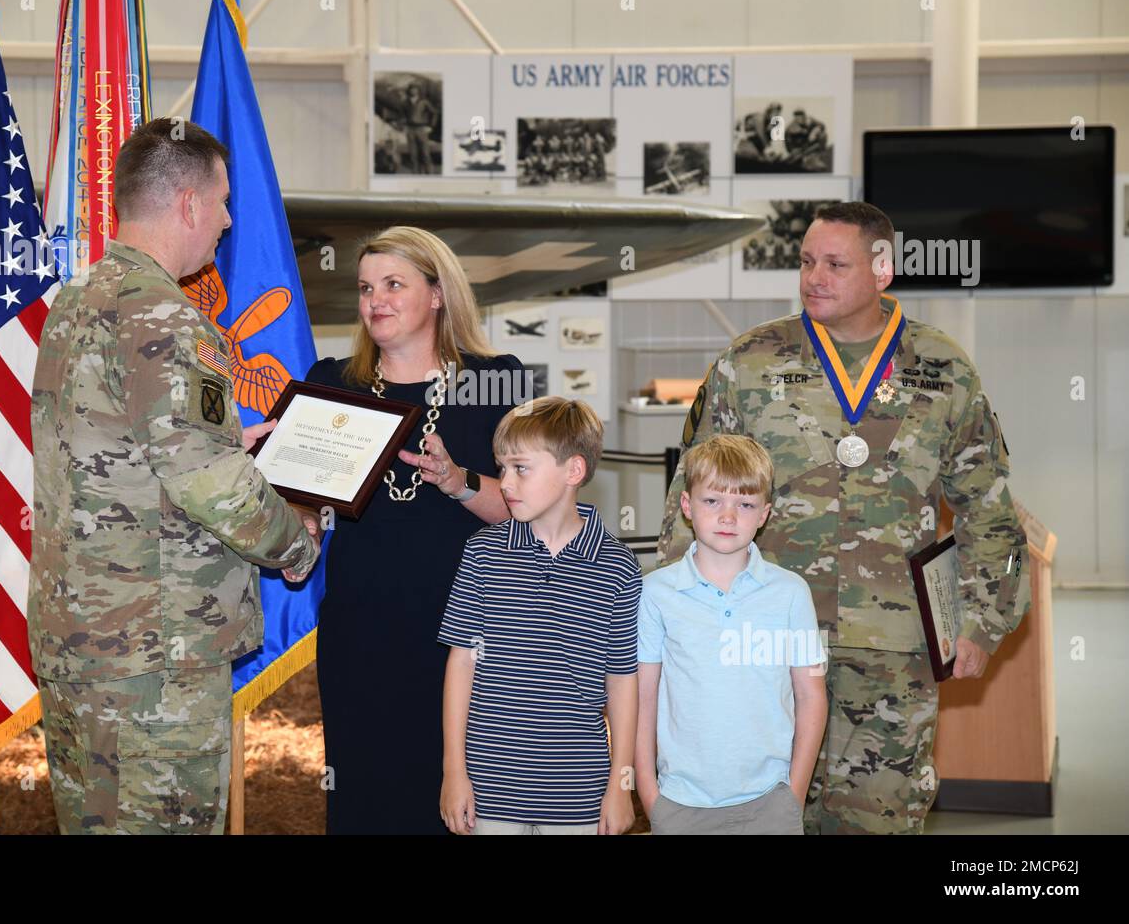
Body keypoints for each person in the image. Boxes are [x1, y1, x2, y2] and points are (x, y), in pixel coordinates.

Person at [657, 201, 1028, 835]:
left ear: (882, 270)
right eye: (806, 262)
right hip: (760, 640)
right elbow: (689, 495)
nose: (814, 278)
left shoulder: (942, 369)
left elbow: (987, 508)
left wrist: (983, 624)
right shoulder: (751, 362)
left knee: (880, 818)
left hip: (894, 647)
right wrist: (677, 618)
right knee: (759, 815)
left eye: (835, 264)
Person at [28, 118, 320, 835]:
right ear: (188, 204)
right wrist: (296, 541)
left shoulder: (76, 301)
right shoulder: (166, 318)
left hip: (82, 640)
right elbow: (212, 485)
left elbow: (120, 442)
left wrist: (224, 437)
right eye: (221, 202)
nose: (227, 221)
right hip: (155, 658)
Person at [306, 226, 523, 834]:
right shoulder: (331, 382)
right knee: (364, 801)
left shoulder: (496, 381)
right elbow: (294, 500)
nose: (375, 300)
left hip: (470, 636)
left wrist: (458, 481)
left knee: (463, 805)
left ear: (437, 293)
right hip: (361, 634)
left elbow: (530, 512)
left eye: (393, 284)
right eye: (365, 288)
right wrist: (300, 527)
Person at [438, 397, 640, 836]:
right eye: (502, 467)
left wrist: (621, 785)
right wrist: (454, 771)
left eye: (520, 468)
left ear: (574, 471)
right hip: (490, 787)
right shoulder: (482, 553)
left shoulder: (618, 568)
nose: (505, 482)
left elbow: (623, 681)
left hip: (578, 791)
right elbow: (462, 663)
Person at [637, 435, 826, 834]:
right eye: (712, 501)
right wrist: (651, 797)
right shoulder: (655, 594)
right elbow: (643, 700)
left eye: (745, 505)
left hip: (770, 803)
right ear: (686, 505)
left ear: (764, 514)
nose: (728, 517)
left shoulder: (792, 593)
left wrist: (794, 794)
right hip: (679, 804)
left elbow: (812, 696)